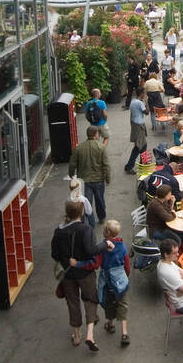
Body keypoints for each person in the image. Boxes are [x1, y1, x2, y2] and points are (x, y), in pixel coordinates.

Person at [51, 199, 112, 350]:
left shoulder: (59, 231)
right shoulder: (86, 229)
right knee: (90, 300)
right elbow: (91, 250)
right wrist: (106, 245)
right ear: (82, 212)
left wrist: (66, 261)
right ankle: (90, 334)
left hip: (68, 274)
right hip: (85, 273)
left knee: (72, 302)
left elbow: (54, 254)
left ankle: (76, 335)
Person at [96, 219, 131, 346]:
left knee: (109, 302)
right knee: (122, 304)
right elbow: (127, 264)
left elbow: (97, 263)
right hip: (121, 279)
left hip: (108, 281)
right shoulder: (122, 246)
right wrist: (126, 276)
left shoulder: (103, 247)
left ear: (106, 233)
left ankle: (110, 324)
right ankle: (124, 333)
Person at [68, 125, 110, 222]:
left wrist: (71, 175)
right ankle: (101, 217)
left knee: (86, 202)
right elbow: (106, 165)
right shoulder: (101, 147)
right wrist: (108, 178)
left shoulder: (79, 148)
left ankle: (86, 220)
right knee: (100, 200)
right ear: (96, 134)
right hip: (98, 180)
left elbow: (72, 164)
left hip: (84, 180)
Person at [125, 92, 148, 174]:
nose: (145, 94)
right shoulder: (140, 103)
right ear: (141, 94)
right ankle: (129, 166)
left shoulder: (133, 101)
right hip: (139, 126)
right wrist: (147, 102)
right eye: (144, 93)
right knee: (139, 147)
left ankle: (143, 164)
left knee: (142, 146)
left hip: (135, 125)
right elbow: (147, 112)